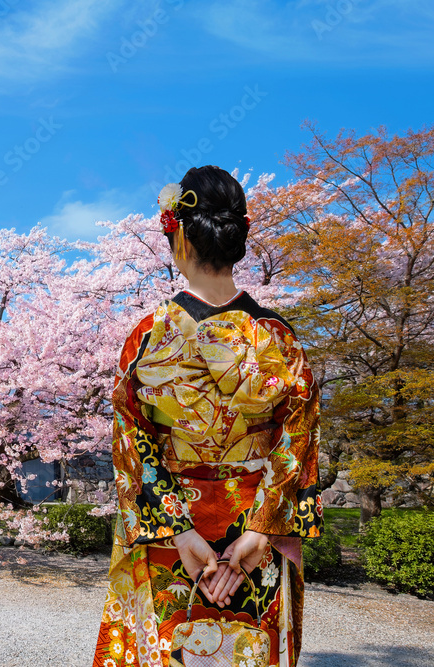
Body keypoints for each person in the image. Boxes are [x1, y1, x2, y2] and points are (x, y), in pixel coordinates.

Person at [92, 166, 322, 667]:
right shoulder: (280, 338)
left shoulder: (149, 335)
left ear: (178, 236)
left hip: (173, 527)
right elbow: (297, 440)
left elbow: (132, 441)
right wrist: (262, 528)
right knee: (249, 650)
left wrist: (180, 531)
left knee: (168, 648)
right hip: (255, 531)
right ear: (239, 234)